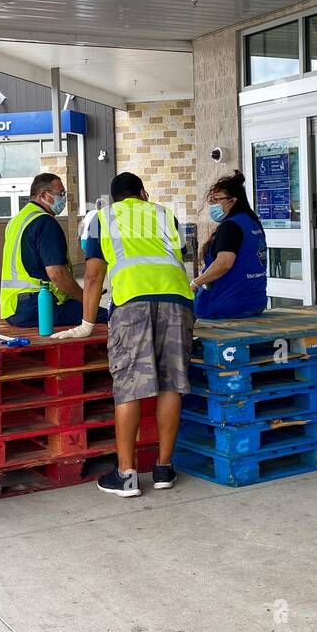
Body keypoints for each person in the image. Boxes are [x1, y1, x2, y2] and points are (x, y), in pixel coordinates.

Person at [52, 172, 194, 498]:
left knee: (128, 387)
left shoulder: (102, 217)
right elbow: (181, 258)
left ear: (114, 198)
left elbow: (92, 276)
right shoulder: (164, 214)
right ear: (143, 193)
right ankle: (163, 470)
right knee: (173, 383)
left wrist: (87, 323)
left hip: (132, 303)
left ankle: (127, 475)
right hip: (178, 301)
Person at [0, 173, 102, 329]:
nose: (64, 198)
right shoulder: (45, 222)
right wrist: (85, 297)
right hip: (39, 306)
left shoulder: (18, 220)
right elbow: (57, 274)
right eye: (60, 194)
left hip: (12, 308)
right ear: (43, 196)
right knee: (104, 316)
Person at [191, 170, 267, 319]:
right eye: (211, 200)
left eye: (216, 200)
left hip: (227, 304)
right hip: (255, 302)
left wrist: (196, 283)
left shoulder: (230, 226)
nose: (212, 205)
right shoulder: (252, 223)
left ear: (232, 201)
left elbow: (224, 263)